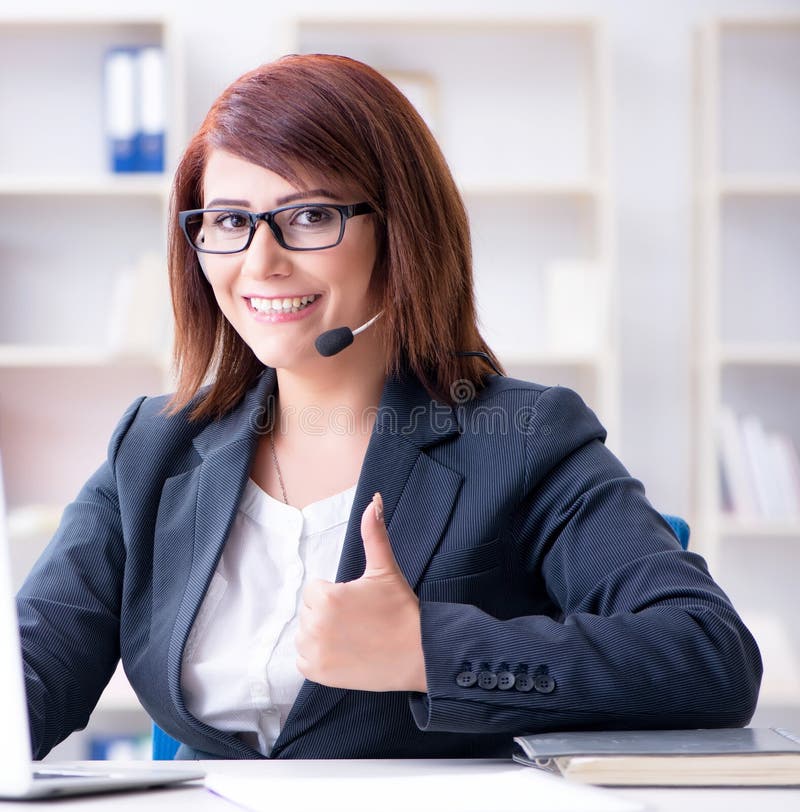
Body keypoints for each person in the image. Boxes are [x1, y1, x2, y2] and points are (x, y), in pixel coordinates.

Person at [17, 54, 761, 761]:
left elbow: (709, 655)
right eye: (230, 221)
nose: (260, 262)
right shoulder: (155, 446)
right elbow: (33, 670)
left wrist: (424, 650)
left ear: (402, 231)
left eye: (308, 217)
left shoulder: (523, 439)